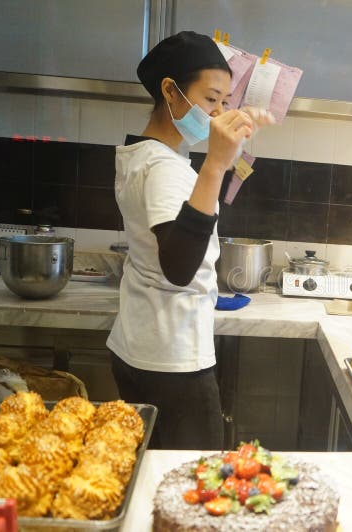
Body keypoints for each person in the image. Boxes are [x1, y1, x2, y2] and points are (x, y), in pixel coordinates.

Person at [106, 31, 273, 449]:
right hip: (171, 358)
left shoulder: (147, 154)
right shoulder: (164, 166)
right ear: (170, 90)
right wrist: (216, 164)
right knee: (189, 481)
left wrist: (221, 160)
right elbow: (179, 267)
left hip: (141, 344)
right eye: (211, 98)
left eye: (225, 102)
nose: (218, 113)